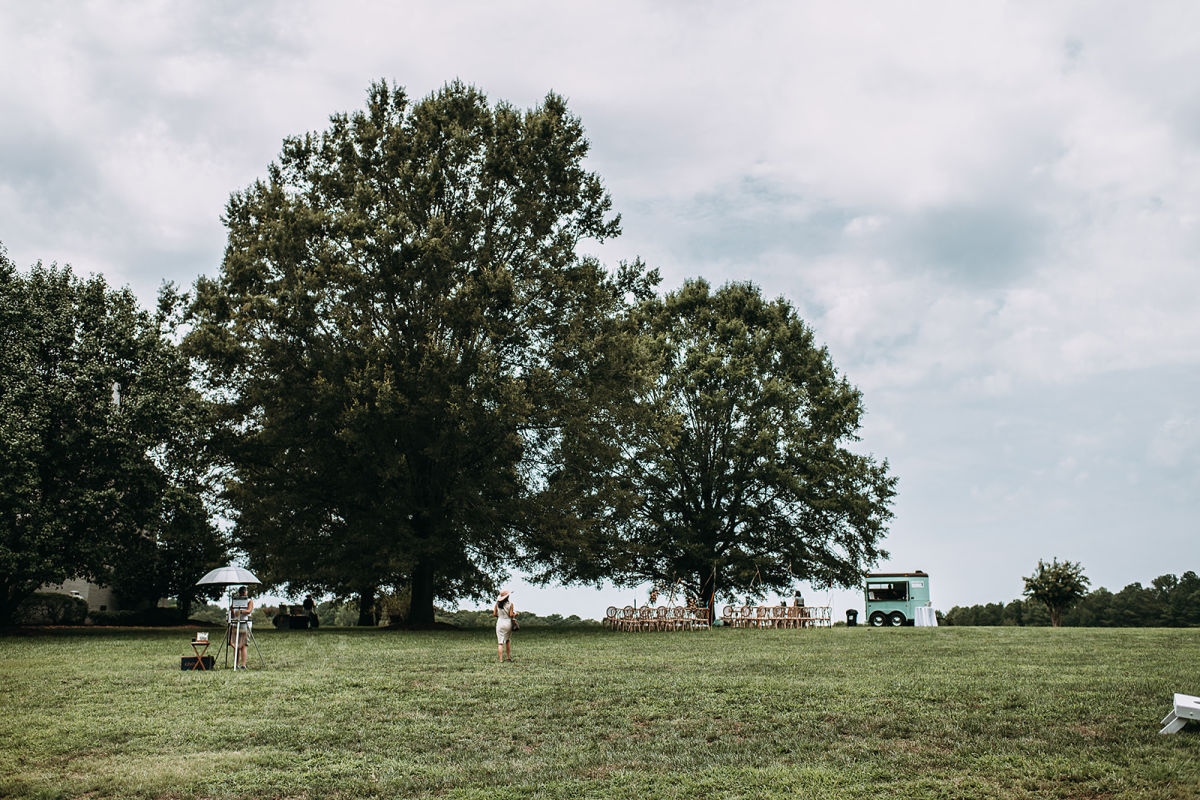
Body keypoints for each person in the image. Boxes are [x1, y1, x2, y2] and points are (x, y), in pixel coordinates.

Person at [229, 587, 254, 668]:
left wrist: (241, 611)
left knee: (243, 644)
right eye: (241, 592)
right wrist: (232, 610)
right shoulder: (235, 601)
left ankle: (243, 665)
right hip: (236, 624)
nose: (243, 593)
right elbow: (232, 613)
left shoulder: (249, 600)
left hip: (245, 624)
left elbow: (249, 611)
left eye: (244, 592)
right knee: (235, 645)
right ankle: (235, 664)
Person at [492, 590, 517, 663]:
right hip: (508, 622)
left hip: (500, 622)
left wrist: (500, 616)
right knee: (507, 640)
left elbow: (494, 614)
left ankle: (500, 660)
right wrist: (516, 614)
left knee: (500, 643)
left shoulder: (497, 604)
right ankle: (508, 658)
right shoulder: (510, 604)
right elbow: (511, 615)